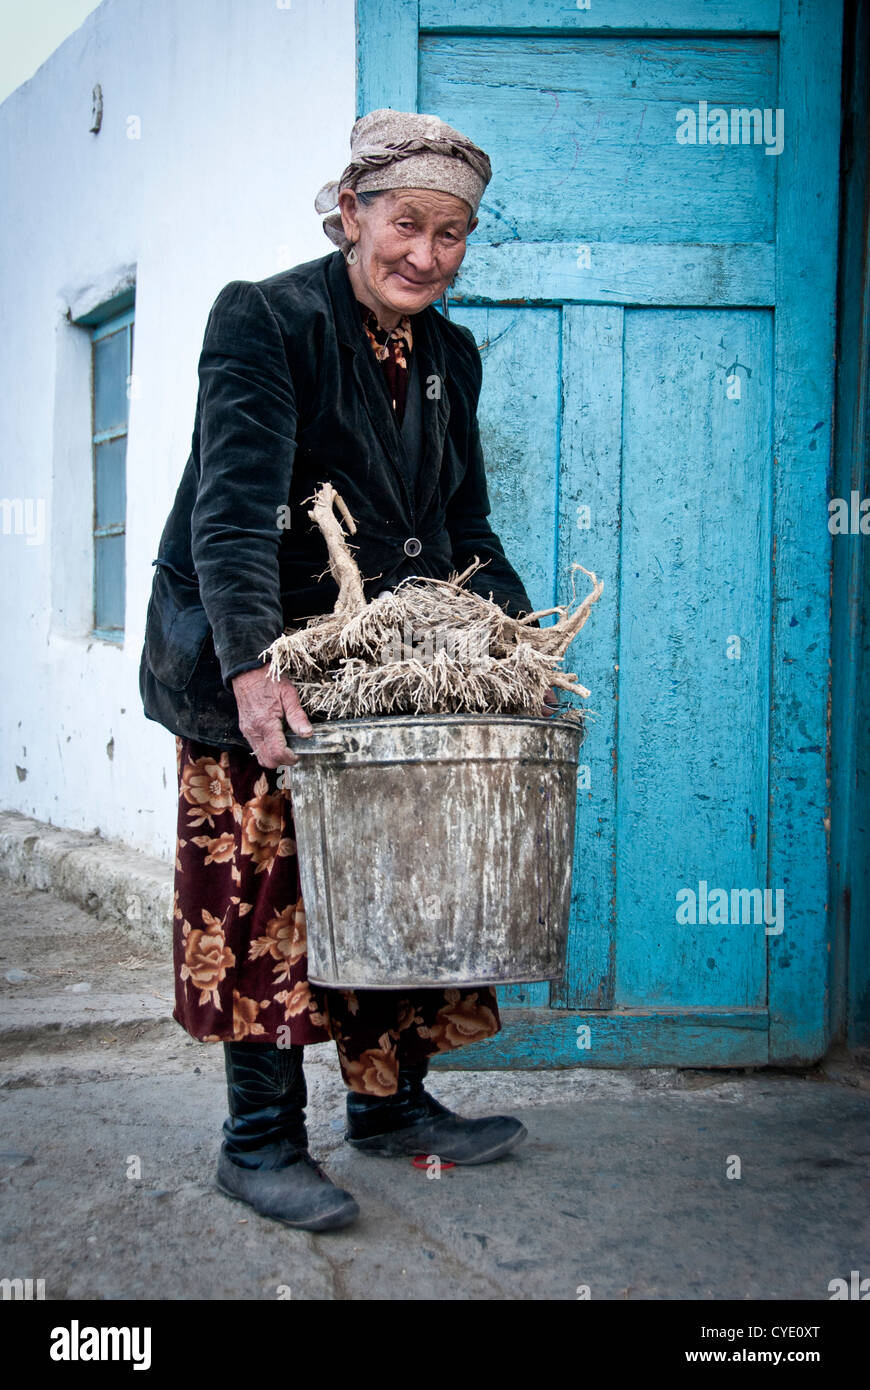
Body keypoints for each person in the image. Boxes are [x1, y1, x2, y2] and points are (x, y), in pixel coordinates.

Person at [139, 108, 558, 1233]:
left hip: (381, 673)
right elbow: (231, 516)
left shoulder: (448, 355)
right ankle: (259, 1144)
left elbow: (462, 522)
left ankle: (391, 1110)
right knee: (268, 896)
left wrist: (523, 647)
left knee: (396, 879)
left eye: (453, 233)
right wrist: (253, 672)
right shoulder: (267, 319)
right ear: (349, 213)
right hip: (252, 659)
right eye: (406, 222)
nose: (427, 253)